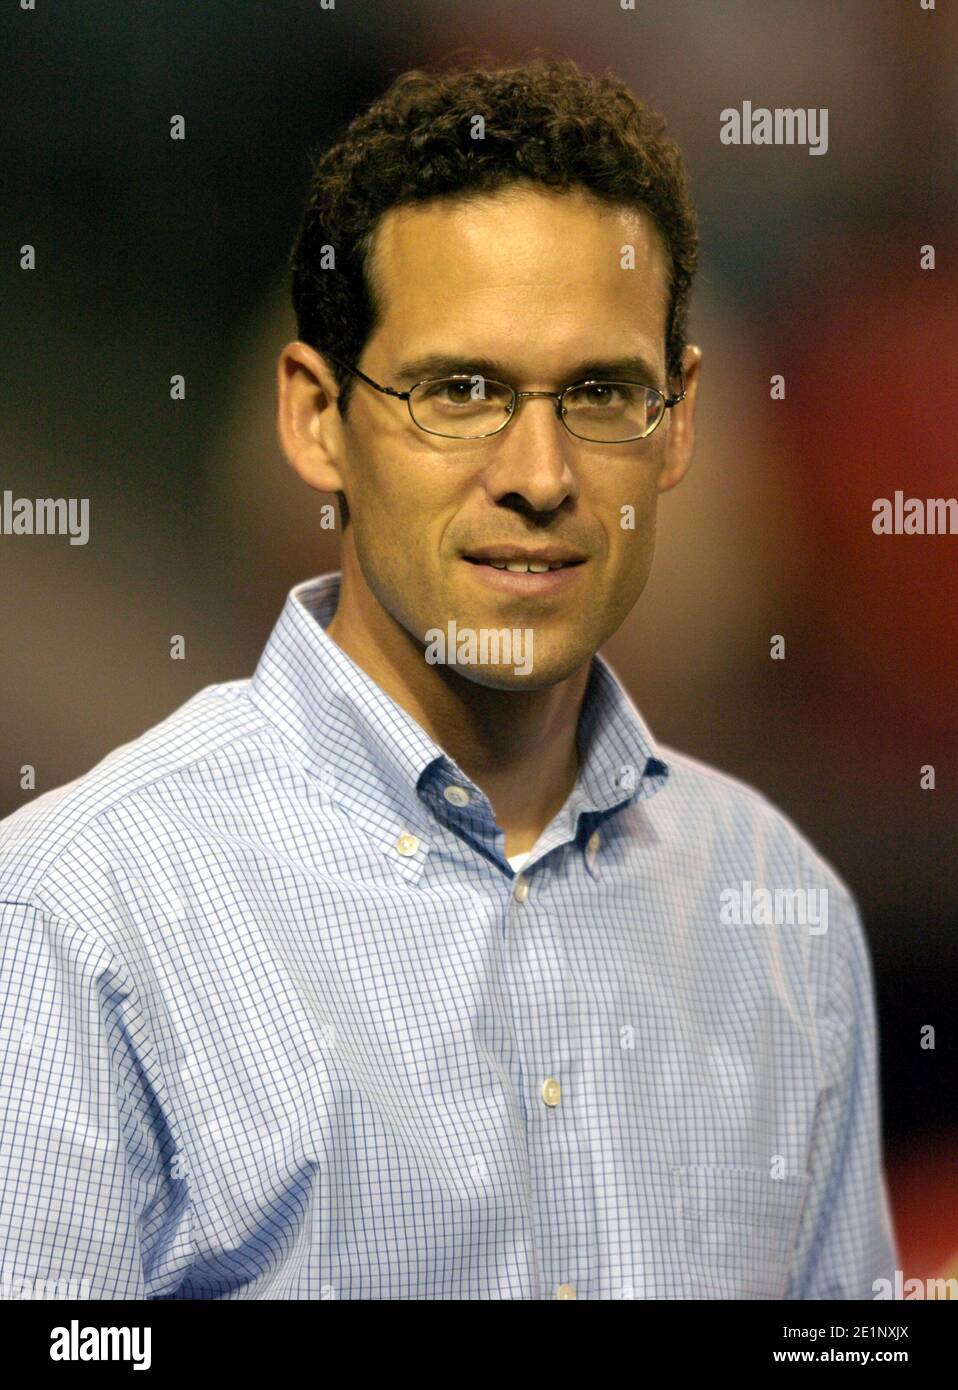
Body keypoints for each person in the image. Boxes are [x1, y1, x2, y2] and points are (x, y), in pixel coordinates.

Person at [0, 56, 897, 1300]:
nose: (538, 470)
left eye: (600, 392)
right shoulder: (81, 913)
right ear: (317, 420)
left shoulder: (786, 911)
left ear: (677, 423)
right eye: (459, 391)